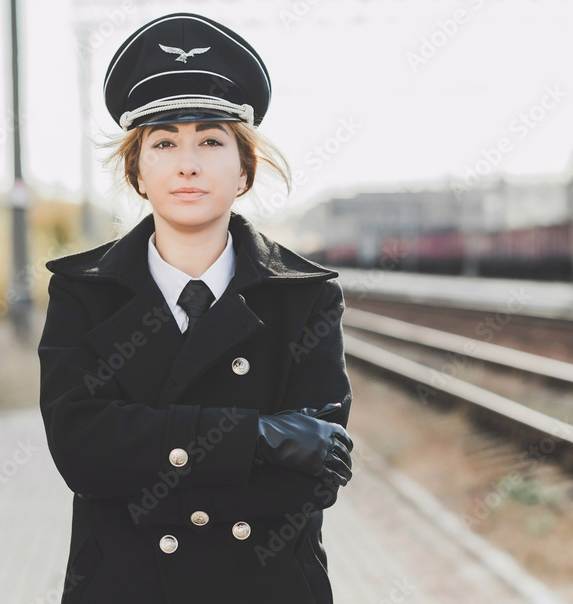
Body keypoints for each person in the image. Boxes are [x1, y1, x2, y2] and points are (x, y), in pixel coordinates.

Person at [38, 12, 354, 604]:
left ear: (243, 170)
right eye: (164, 143)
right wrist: (258, 437)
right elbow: (81, 451)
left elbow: (314, 480)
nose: (188, 163)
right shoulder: (84, 292)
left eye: (211, 140)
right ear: (137, 172)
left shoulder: (305, 295)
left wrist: (145, 453)